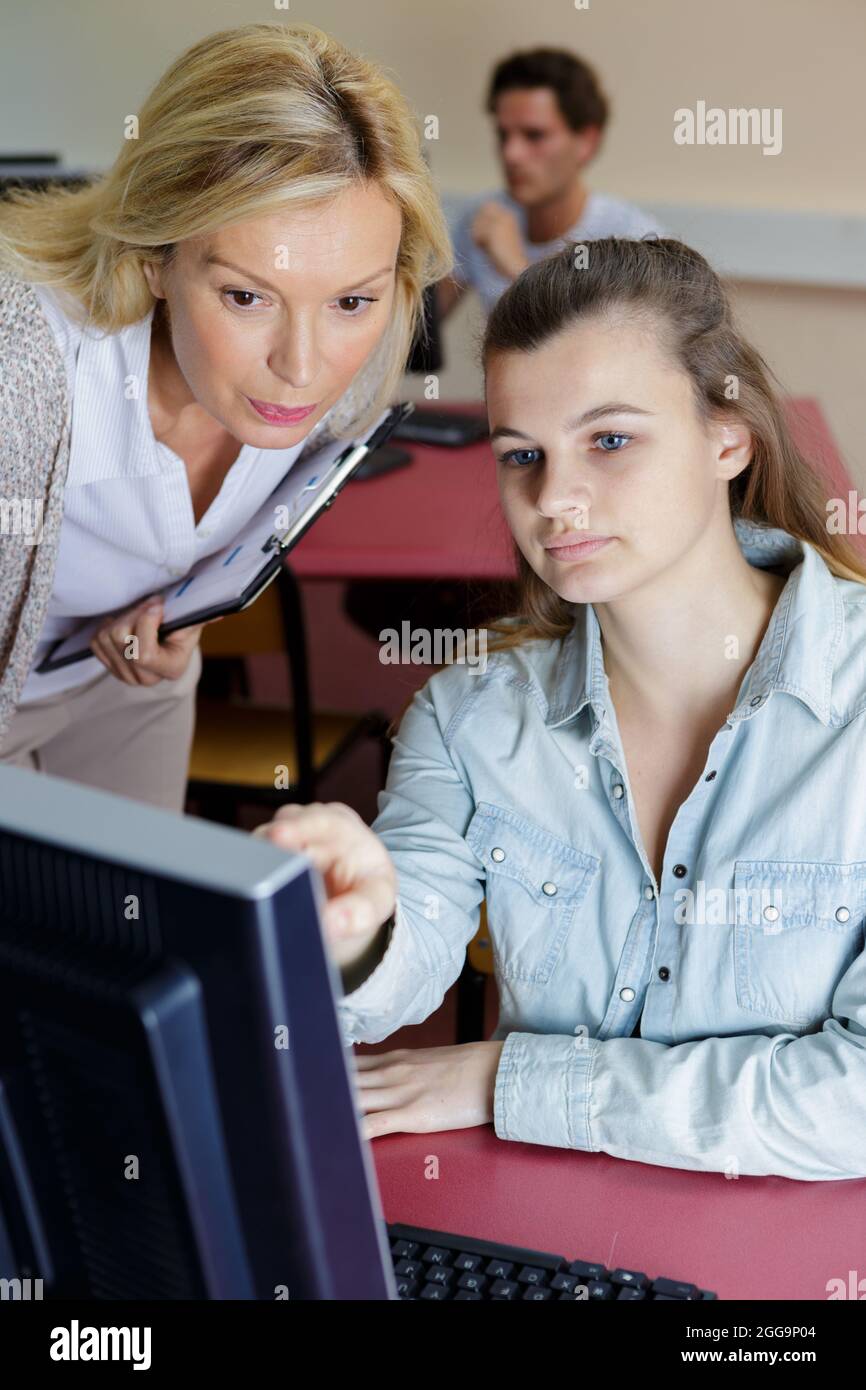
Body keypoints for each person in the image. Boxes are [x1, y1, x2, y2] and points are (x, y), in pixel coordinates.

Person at [258, 236, 866, 1182]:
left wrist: (514, 1079)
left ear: (727, 437)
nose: (556, 499)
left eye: (610, 440)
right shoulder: (468, 718)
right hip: (551, 1241)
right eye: (522, 455)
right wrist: (356, 930)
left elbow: (854, 1104)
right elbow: (392, 972)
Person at [0, 20, 451, 811]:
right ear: (155, 261)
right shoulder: (27, 365)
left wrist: (185, 613)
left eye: (352, 300)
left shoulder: (345, 369)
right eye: (247, 297)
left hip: (132, 675)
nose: (303, 368)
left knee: (131, 921)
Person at [439, 47, 666, 320]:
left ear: (587, 143)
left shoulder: (634, 240)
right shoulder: (483, 218)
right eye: (503, 135)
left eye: (534, 135)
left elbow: (604, 353)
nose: (511, 154)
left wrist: (518, 269)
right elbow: (417, 336)